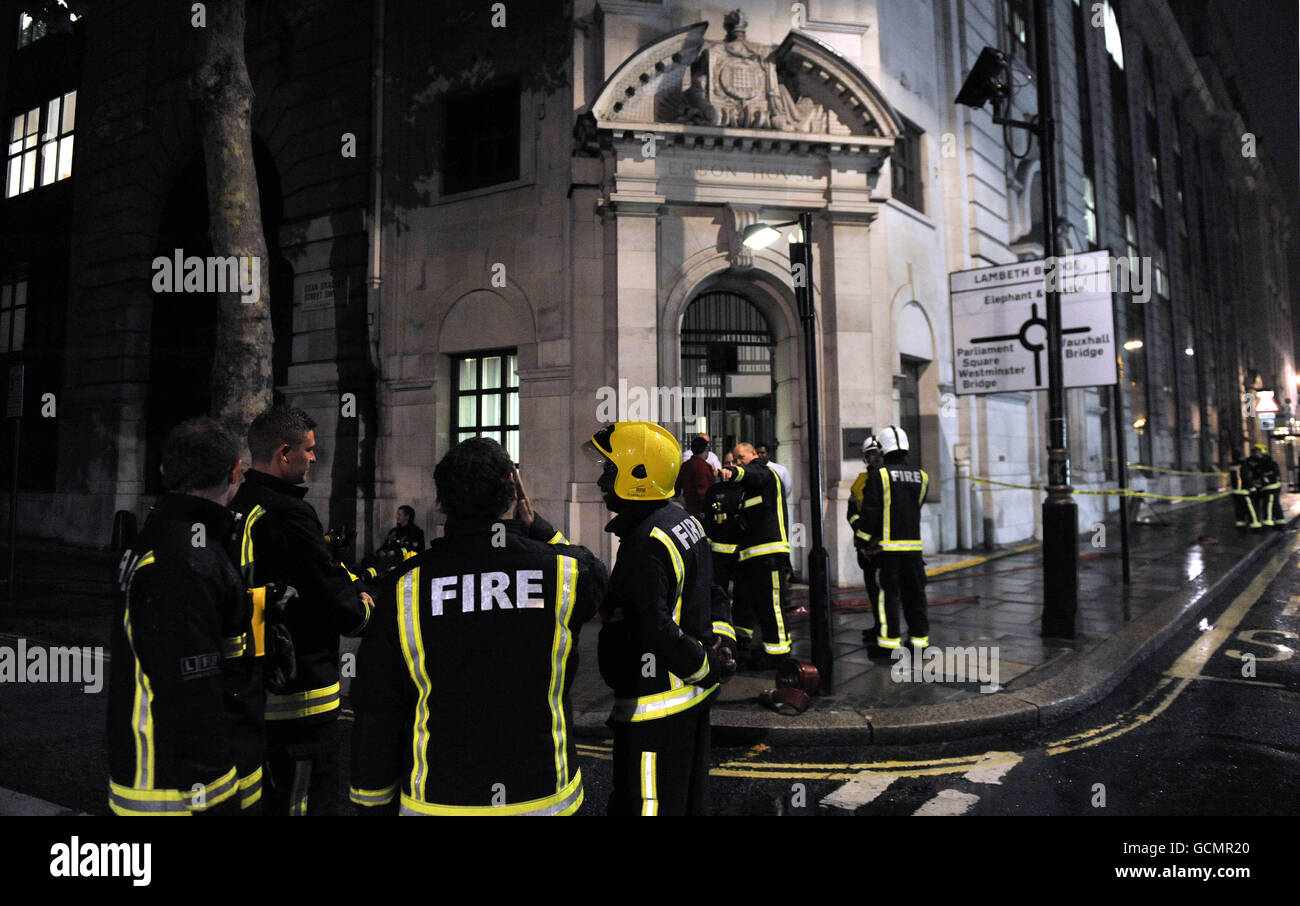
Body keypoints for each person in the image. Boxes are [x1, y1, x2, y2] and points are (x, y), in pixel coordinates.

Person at [350, 438, 607, 815]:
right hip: (543, 797)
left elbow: (377, 709)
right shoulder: (565, 573)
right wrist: (540, 528)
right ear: (513, 489)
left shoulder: (405, 587)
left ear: (442, 499)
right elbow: (594, 572)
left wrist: (371, 800)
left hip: (438, 801)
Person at [107, 418, 262, 815]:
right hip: (174, 794)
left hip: (155, 779)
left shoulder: (164, 538)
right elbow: (193, 695)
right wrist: (216, 798)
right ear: (235, 471)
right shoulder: (189, 558)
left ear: (164, 470)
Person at [231, 405, 375, 816]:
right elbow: (333, 596)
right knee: (306, 802)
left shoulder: (243, 503)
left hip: (255, 690)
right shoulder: (288, 512)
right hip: (301, 698)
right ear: (284, 452)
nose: (313, 458)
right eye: (308, 450)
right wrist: (364, 609)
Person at [589, 421, 734, 816]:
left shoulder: (645, 543)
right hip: (689, 704)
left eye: (610, 470)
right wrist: (722, 647)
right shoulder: (683, 521)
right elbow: (714, 592)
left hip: (655, 711)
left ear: (638, 475)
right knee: (685, 802)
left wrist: (703, 666)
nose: (601, 482)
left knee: (646, 806)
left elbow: (655, 628)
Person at [857, 426, 929, 655]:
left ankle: (889, 645)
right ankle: (919, 642)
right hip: (914, 549)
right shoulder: (922, 476)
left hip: (887, 551)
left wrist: (862, 542)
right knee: (915, 596)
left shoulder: (880, 475)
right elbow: (916, 506)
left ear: (884, 449)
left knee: (887, 597)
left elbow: (870, 513)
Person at [719, 442, 792, 666]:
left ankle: (778, 654)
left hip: (769, 554)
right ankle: (747, 643)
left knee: (771, 605)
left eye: (741, 458)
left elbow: (753, 472)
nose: (738, 462)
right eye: (735, 460)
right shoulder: (748, 489)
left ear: (753, 455)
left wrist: (733, 472)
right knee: (750, 603)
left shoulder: (764, 472)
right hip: (751, 556)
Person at [848, 436, 886, 650]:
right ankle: (878, 625)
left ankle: (885, 629)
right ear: (865, 457)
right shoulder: (860, 482)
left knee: (884, 591)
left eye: (878, 453)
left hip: (882, 546)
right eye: (871, 454)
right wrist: (862, 534)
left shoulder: (887, 478)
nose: (875, 458)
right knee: (872, 590)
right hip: (864, 546)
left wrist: (876, 538)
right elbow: (851, 512)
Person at [364, 505, 426, 577]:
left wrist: (395, 552)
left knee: (385, 563)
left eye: (399, 515)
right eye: (397, 514)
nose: (397, 517)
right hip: (387, 558)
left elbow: (417, 549)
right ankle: (366, 577)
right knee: (367, 560)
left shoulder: (415, 532)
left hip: (401, 561)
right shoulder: (394, 532)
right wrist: (381, 551)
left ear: (407, 517)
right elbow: (385, 545)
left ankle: (369, 576)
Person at [675, 435, 715, 517]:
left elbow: (677, 489)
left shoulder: (685, 466)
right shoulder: (704, 467)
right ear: (705, 449)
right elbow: (706, 491)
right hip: (702, 511)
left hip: (688, 509)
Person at [1247, 443, 1284, 530]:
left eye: (1257, 451)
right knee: (1274, 505)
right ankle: (1279, 522)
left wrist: (1262, 480)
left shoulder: (1267, 462)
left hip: (1271, 487)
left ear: (1262, 451)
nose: (1255, 453)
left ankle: (1268, 523)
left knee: (1268, 505)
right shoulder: (1260, 461)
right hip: (1268, 487)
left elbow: (1267, 474)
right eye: (1254, 452)